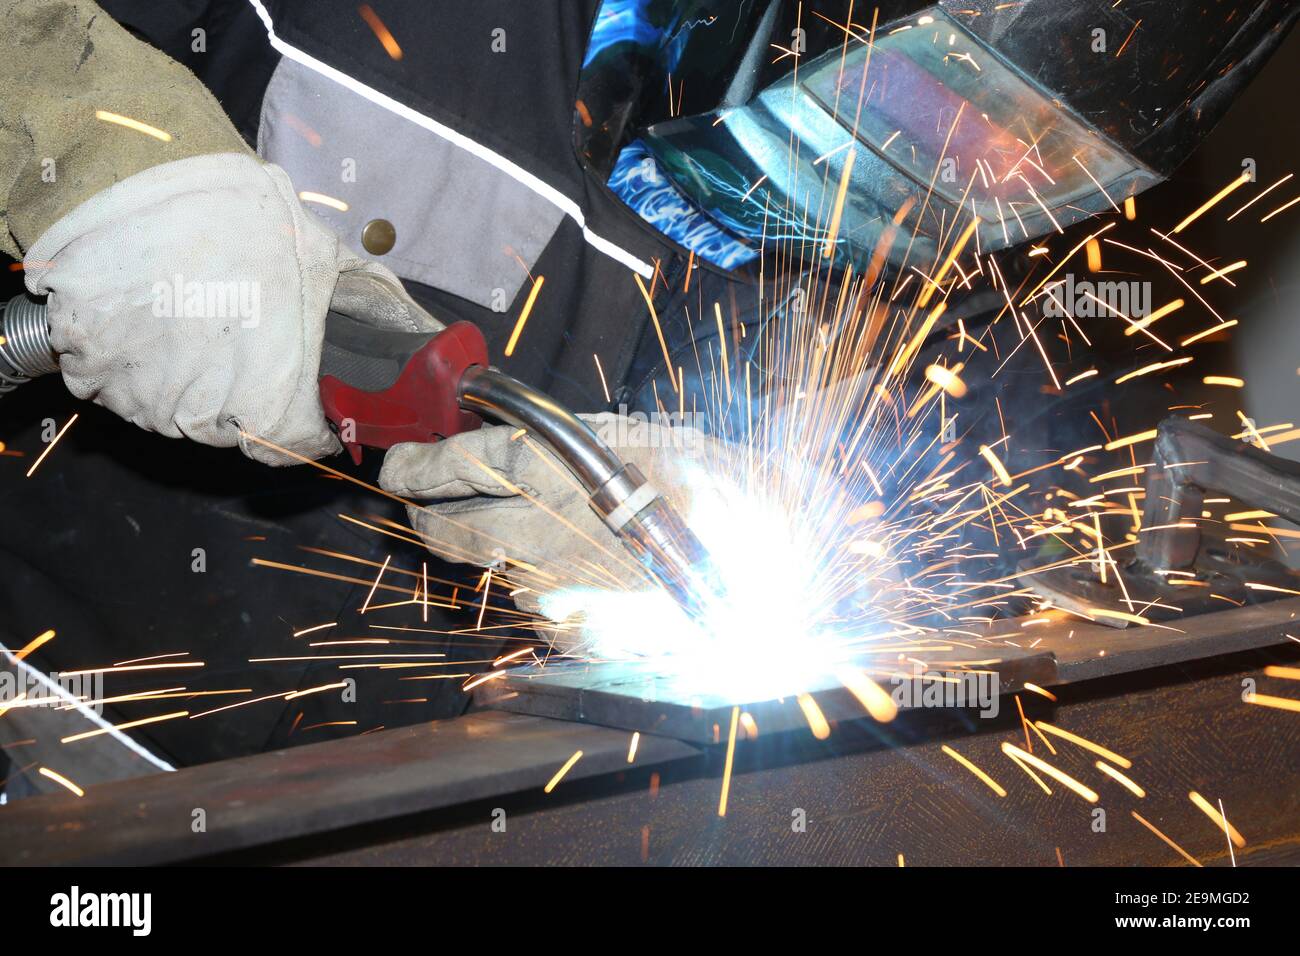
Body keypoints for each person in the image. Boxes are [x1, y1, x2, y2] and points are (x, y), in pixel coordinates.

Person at [0, 0, 1293, 797]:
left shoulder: (860, 224)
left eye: (1008, 174)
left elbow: (987, 449)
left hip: (425, 799)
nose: (926, 180)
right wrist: (100, 163)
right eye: (910, 117)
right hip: (73, 742)